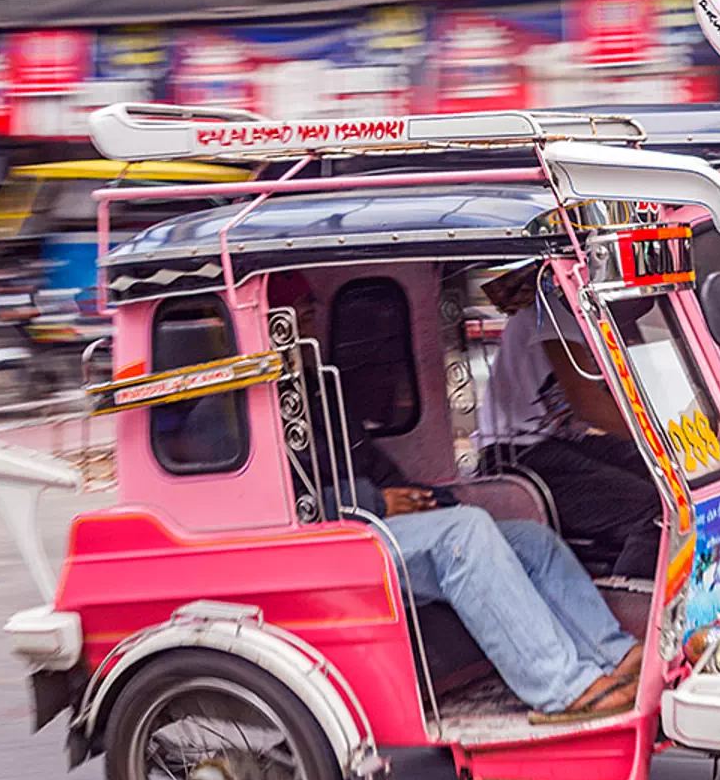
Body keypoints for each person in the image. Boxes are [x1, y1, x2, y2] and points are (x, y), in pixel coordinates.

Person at [272, 271, 642, 721]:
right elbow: (278, 506)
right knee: (463, 534)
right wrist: (375, 502)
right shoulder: (256, 407)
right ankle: (564, 688)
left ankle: (615, 654)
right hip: (321, 540)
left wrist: (423, 497)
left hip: (370, 521)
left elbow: (368, 462)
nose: (309, 319)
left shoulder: (318, 390)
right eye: (297, 312)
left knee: (531, 540)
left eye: (310, 308)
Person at [475, 269, 661, 578]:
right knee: (653, 507)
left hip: (557, 440)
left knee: (653, 470)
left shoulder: (589, 313)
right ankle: (630, 594)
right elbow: (588, 404)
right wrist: (660, 436)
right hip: (517, 453)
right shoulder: (551, 309)